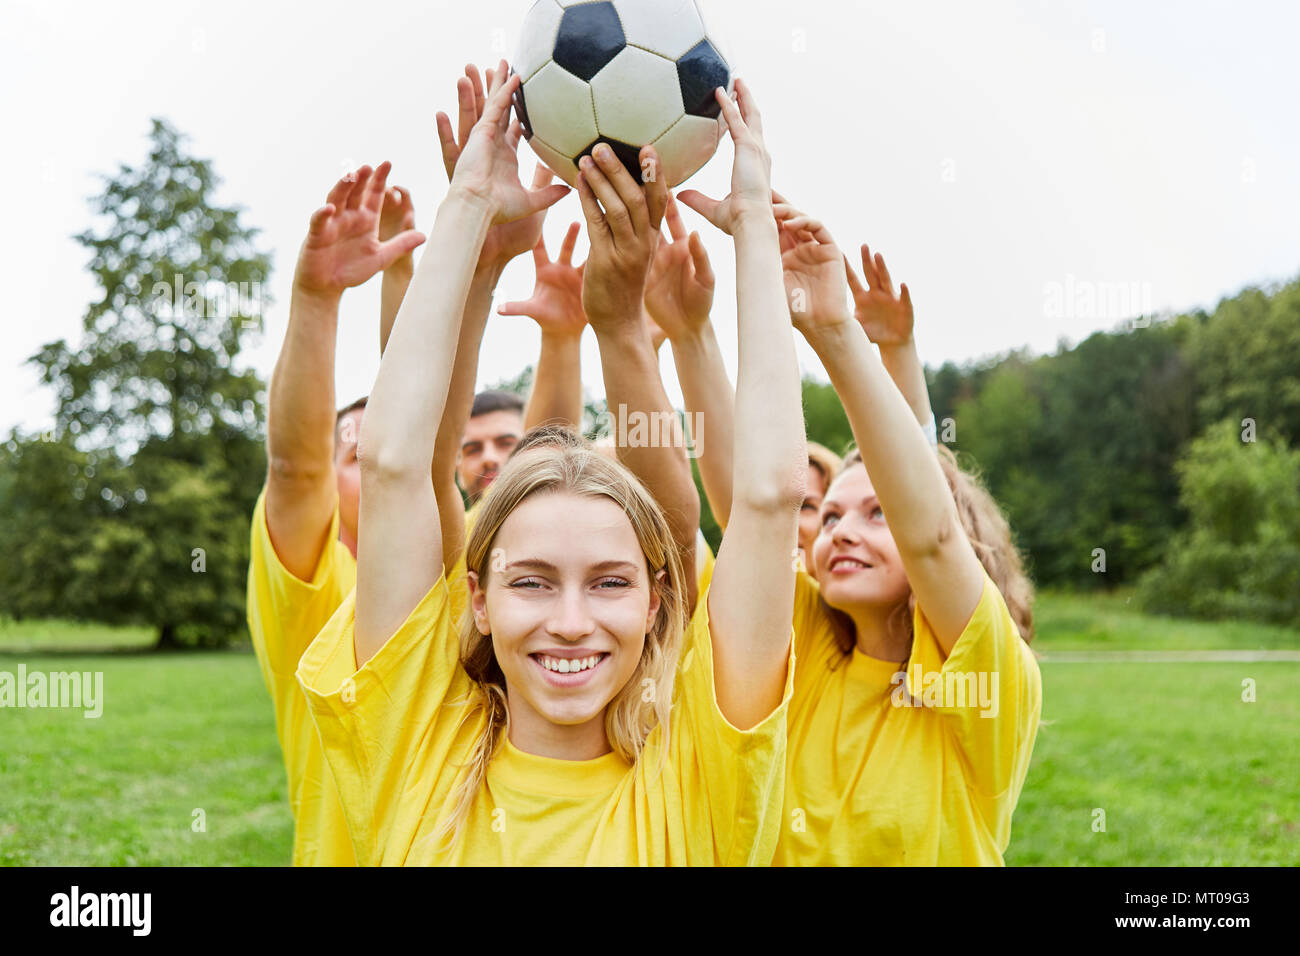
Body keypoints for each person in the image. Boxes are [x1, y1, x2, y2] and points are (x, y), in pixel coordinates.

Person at [296, 70, 803, 865]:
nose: (570, 620)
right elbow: (395, 462)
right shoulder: (417, 743)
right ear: (479, 600)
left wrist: (755, 230)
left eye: (609, 581)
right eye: (530, 580)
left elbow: (770, 501)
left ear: (655, 603)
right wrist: (470, 204)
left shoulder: (700, 777)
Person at [756, 201, 1041, 865]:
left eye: (874, 514)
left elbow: (930, 530)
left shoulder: (982, 681)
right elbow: (747, 496)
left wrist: (840, 334)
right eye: (829, 516)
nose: (841, 531)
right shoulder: (806, 647)